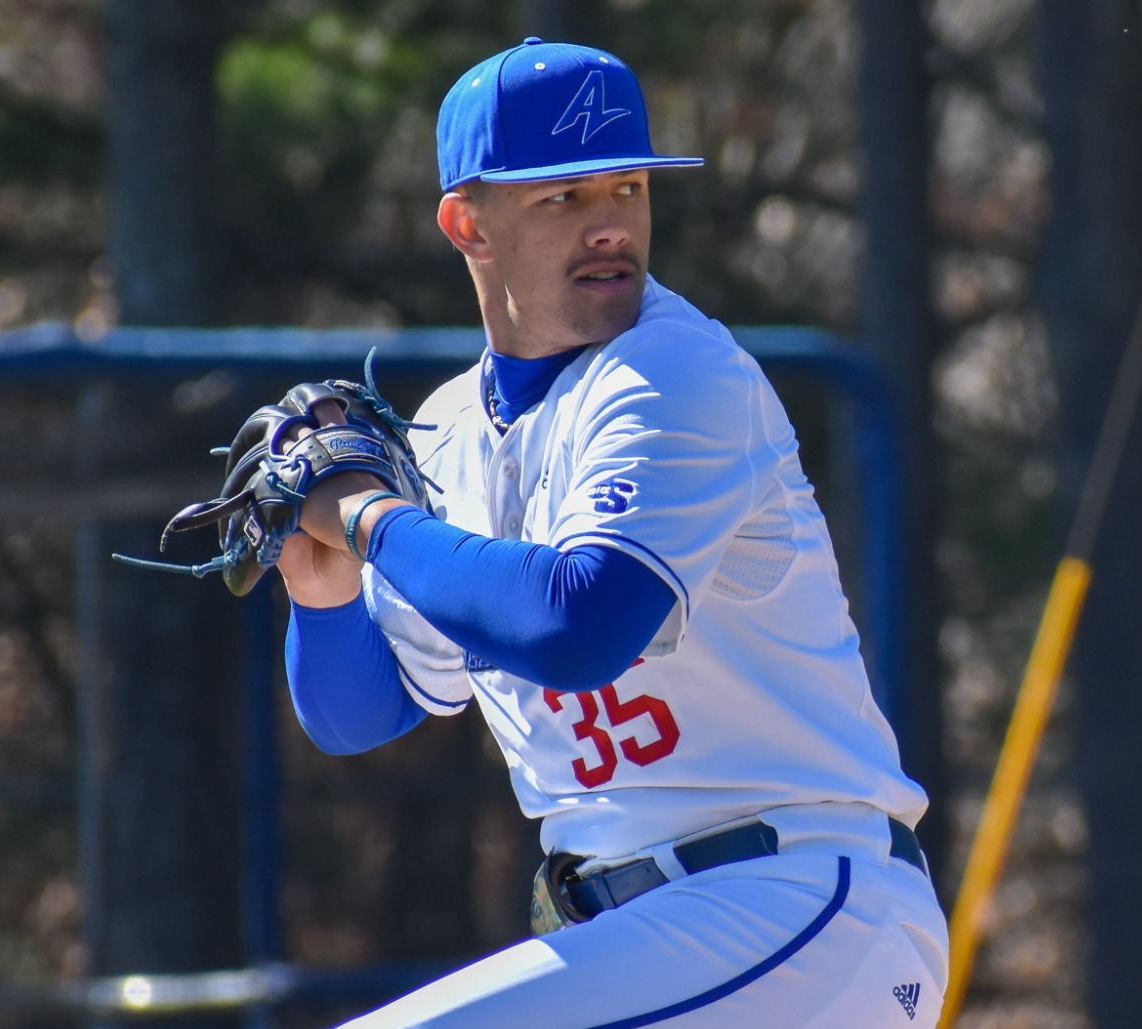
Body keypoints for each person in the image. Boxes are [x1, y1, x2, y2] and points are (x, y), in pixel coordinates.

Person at [276, 37, 948, 1028]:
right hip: (652, 938)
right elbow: (359, 712)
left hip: (795, 908)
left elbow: (577, 626)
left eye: (625, 189)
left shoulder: (672, 372)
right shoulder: (451, 436)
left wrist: (367, 517)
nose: (607, 227)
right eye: (561, 198)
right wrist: (318, 578)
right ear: (467, 223)